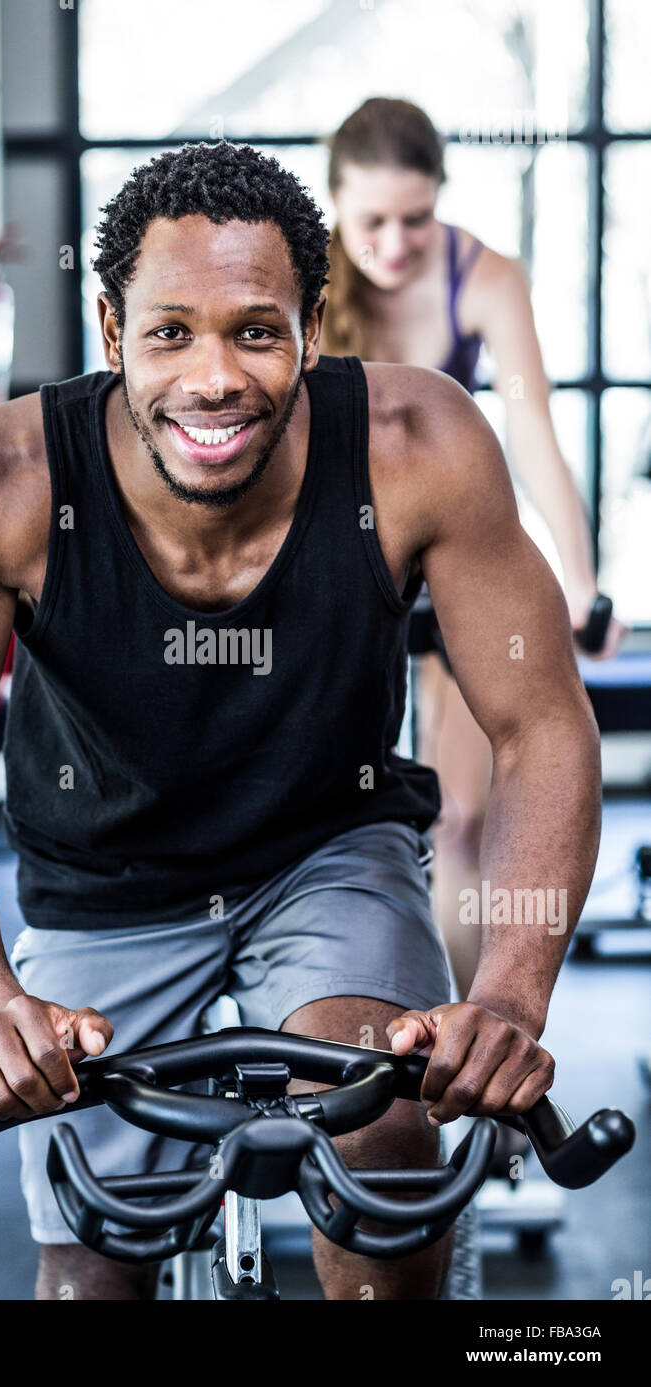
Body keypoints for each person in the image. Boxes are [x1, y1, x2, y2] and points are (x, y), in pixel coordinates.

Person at [0, 140, 601, 1302]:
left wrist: (507, 994)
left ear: (312, 327)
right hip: (101, 872)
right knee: (94, 1254)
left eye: (256, 330)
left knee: (385, 1143)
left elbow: (542, 727)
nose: (213, 378)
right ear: (111, 334)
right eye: (169, 333)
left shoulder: (418, 445)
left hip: (326, 849)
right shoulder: (4, 475)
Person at [320, 97, 626, 997]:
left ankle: (459, 1056)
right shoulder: (306, 271)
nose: (395, 241)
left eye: (416, 218)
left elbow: (530, 426)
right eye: (371, 219)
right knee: (323, 817)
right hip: (331, 562)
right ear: (335, 201)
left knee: (458, 817)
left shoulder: (485, 276)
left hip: (441, 546)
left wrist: (579, 577)